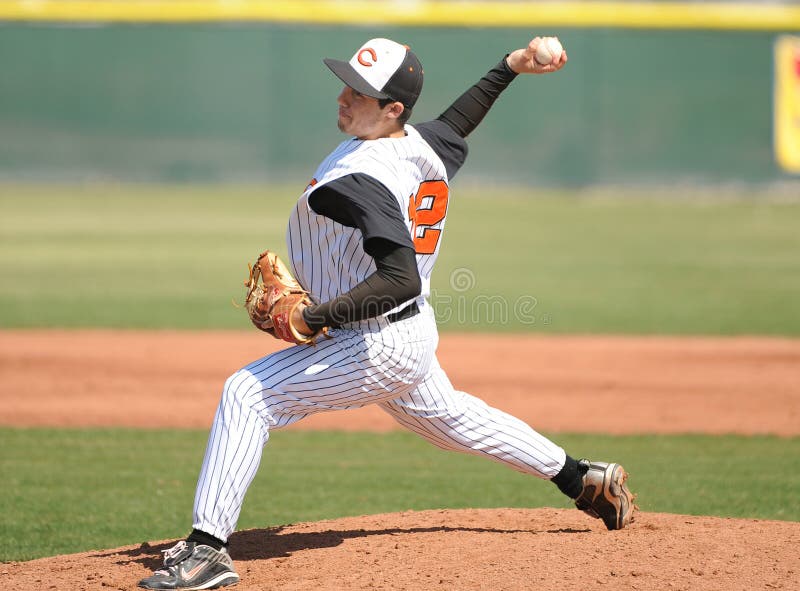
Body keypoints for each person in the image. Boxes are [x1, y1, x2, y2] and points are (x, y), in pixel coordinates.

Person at [139, 36, 636, 590]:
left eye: (360, 93)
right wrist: (510, 66)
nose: (343, 97)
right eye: (346, 84)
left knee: (247, 394)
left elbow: (399, 279)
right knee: (451, 420)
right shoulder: (417, 145)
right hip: (407, 332)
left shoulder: (363, 178)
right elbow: (458, 121)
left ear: (393, 108)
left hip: (374, 340)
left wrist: (314, 318)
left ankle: (207, 551)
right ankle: (581, 478)